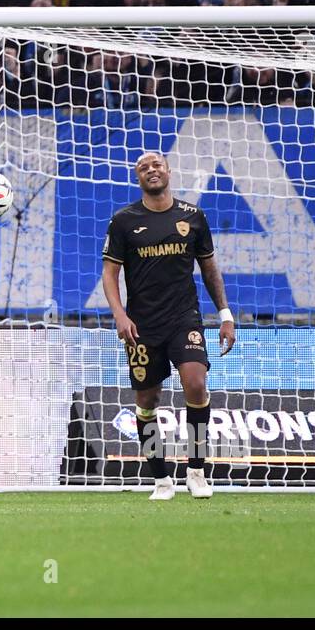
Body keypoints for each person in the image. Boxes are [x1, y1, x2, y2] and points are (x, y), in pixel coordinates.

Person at [100, 152, 235, 500]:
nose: (151, 170)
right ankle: (161, 479)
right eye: (143, 168)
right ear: (138, 179)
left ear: (169, 171)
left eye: (156, 165)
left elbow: (209, 270)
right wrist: (119, 315)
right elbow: (110, 274)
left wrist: (225, 314)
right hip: (142, 324)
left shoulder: (193, 216)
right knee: (147, 399)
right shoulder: (123, 221)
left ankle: (197, 471)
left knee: (195, 383)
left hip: (183, 317)